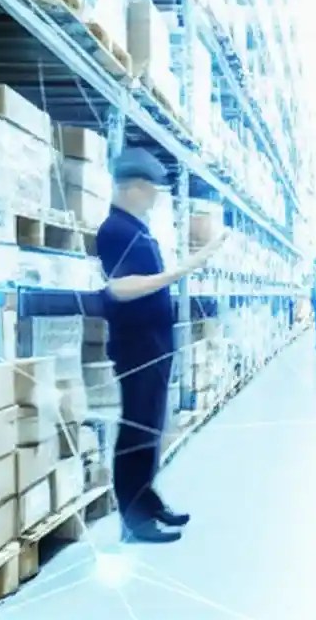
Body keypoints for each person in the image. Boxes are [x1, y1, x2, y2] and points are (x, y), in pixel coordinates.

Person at [97, 148, 226, 544]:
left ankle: (147, 500)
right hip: (136, 346)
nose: (155, 197)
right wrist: (184, 268)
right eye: (151, 190)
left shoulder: (137, 227)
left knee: (151, 426)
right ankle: (134, 519)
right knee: (137, 428)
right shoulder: (114, 230)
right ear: (133, 188)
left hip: (154, 343)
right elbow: (118, 288)